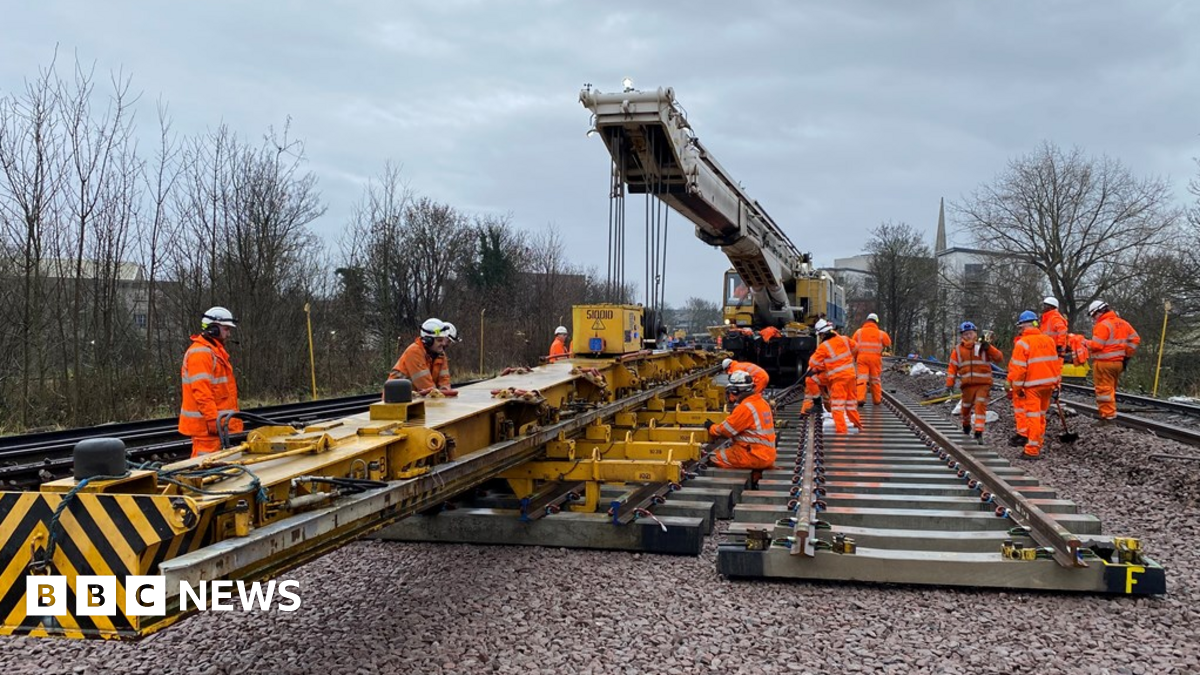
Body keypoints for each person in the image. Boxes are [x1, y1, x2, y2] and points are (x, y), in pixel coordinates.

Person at [179, 307, 242, 458]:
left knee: (223, 471)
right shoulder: (201, 354)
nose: (229, 333)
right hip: (208, 429)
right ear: (213, 329)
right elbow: (202, 393)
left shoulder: (214, 352)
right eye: (226, 329)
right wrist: (213, 420)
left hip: (219, 427)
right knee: (206, 470)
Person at [1008, 310, 1062, 460]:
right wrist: (1057, 386)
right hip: (1048, 386)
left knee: (1032, 417)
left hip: (1032, 387)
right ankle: (1038, 443)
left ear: (1023, 326)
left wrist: (1017, 389)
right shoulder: (1049, 340)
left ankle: (1032, 449)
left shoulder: (1022, 344)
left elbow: (1019, 370)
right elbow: (1056, 365)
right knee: (1041, 417)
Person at [944, 321, 1004, 443]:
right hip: (967, 385)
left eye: (970, 333)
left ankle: (979, 432)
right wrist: (950, 383)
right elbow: (952, 367)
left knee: (980, 405)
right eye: (966, 334)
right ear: (962, 335)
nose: (969, 336)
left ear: (975, 334)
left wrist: (989, 347)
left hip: (983, 383)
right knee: (965, 408)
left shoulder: (983, 345)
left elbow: (999, 358)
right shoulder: (958, 350)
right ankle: (966, 425)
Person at [707, 370, 776, 470]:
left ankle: (731, 482)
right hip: (767, 454)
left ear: (736, 391)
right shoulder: (762, 403)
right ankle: (755, 476)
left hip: (755, 456)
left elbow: (726, 430)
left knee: (715, 457)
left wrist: (711, 427)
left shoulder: (745, 407)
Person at [1085, 300, 1140, 422]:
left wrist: (1085, 342)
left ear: (1099, 312)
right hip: (1118, 363)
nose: (1093, 318)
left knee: (1104, 391)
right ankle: (1110, 413)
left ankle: (1107, 417)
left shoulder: (1102, 325)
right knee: (1110, 390)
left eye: (1093, 315)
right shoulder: (1123, 323)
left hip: (1104, 363)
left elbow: (1096, 346)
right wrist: (1127, 355)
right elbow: (1135, 339)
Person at [809, 319, 860, 434]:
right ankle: (857, 425)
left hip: (838, 379)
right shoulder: (845, 339)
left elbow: (812, 363)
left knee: (837, 407)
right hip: (851, 376)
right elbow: (856, 348)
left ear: (822, 334)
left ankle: (841, 433)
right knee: (851, 404)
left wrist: (822, 367)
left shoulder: (823, 347)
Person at [389, 318, 460, 397]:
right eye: (439, 340)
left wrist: (445, 395)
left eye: (443, 340)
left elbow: (444, 382)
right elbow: (426, 387)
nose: (443, 344)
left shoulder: (440, 355)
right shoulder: (414, 352)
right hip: (396, 401)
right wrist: (441, 396)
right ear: (428, 341)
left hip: (417, 400)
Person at [852, 312, 892, 406]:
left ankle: (860, 398)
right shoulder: (881, 333)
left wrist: (854, 357)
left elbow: (853, 346)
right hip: (875, 359)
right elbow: (888, 343)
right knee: (875, 380)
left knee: (862, 378)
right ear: (876, 322)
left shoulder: (859, 332)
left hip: (862, 358)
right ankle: (877, 400)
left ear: (867, 321)